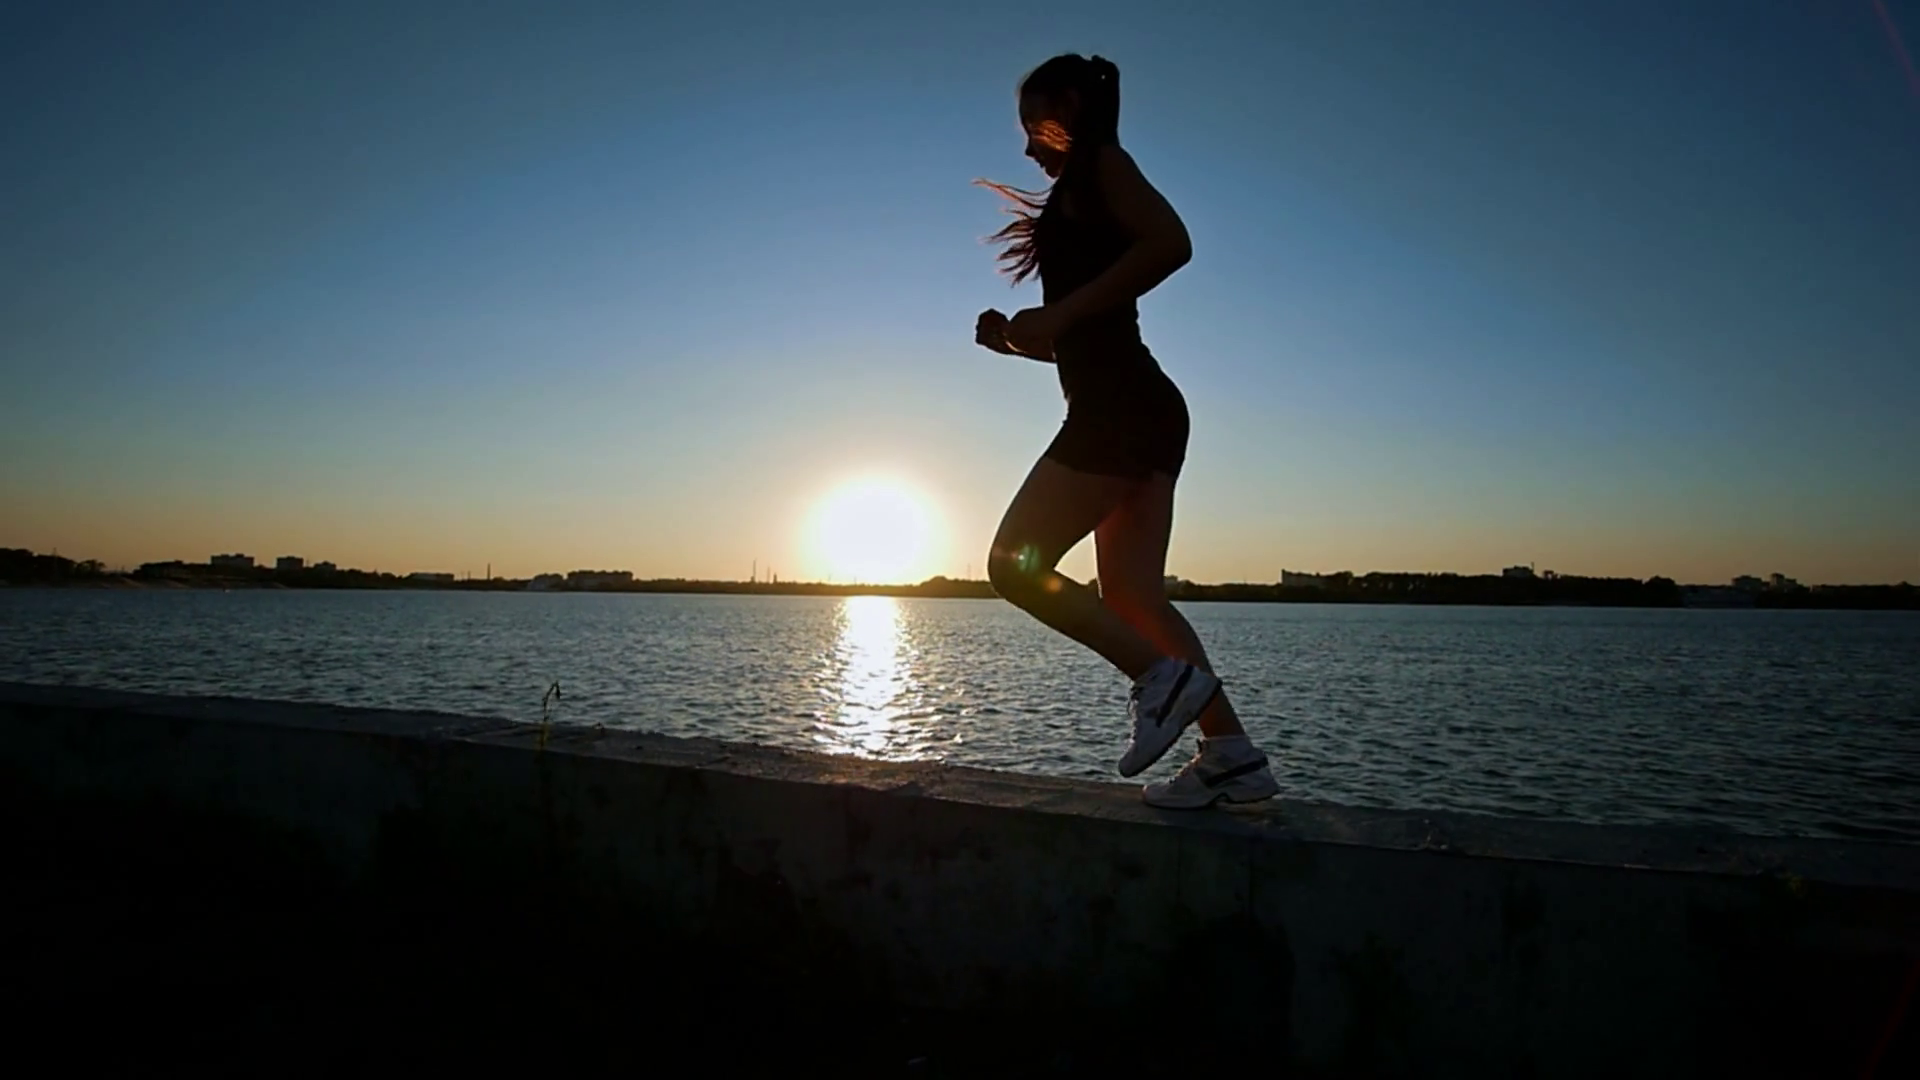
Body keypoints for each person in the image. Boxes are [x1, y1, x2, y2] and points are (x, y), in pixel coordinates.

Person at [973, 53, 1278, 809]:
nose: (1029, 148)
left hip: (1119, 408)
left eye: (1038, 126)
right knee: (1135, 595)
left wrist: (1062, 316)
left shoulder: (1105, 164)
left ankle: (1159, 679)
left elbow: (1171, 242)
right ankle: (1232, 755)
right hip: (1139, 404)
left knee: (1014, 565)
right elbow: (1069, 336)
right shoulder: (1079, 197)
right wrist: (1015, 339)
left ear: (1073, 107)